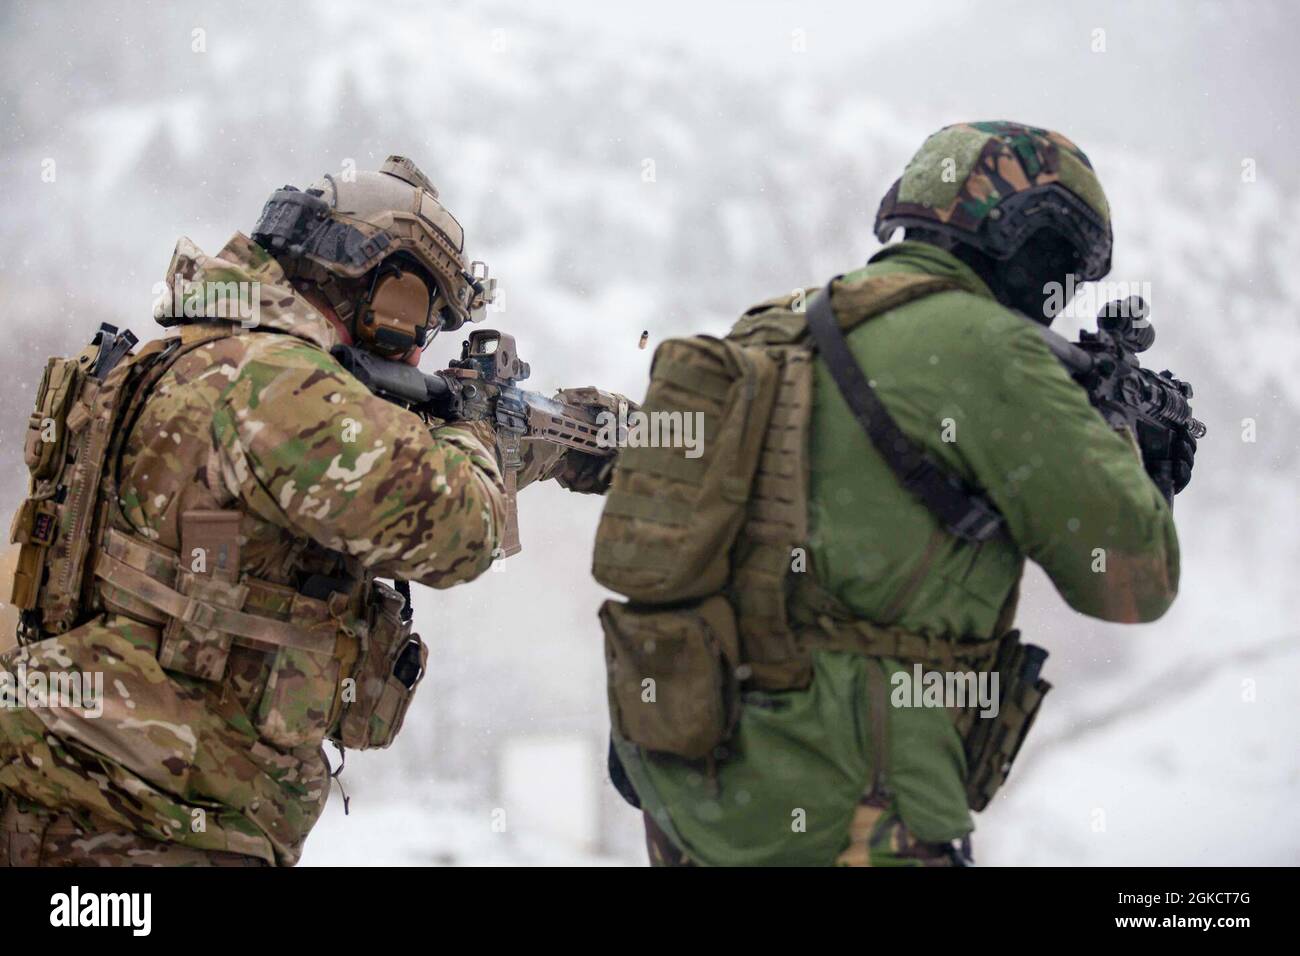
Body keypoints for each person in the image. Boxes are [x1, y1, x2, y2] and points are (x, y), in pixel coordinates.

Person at [601, 121, 1195, 866]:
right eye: (1063, 266)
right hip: (858, 808)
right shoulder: (987, 350)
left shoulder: (774, 324)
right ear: (1024, 240)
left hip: (693, 796)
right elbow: (1135, 584)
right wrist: (1131, 453)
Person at [0, 155, 609, 866]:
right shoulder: (275, 385)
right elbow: (458, 530)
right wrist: (475, 427)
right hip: (140, 822)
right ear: (384, 289)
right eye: (426, 315)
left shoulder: (201, 358)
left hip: (86, 796)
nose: (421, 345)